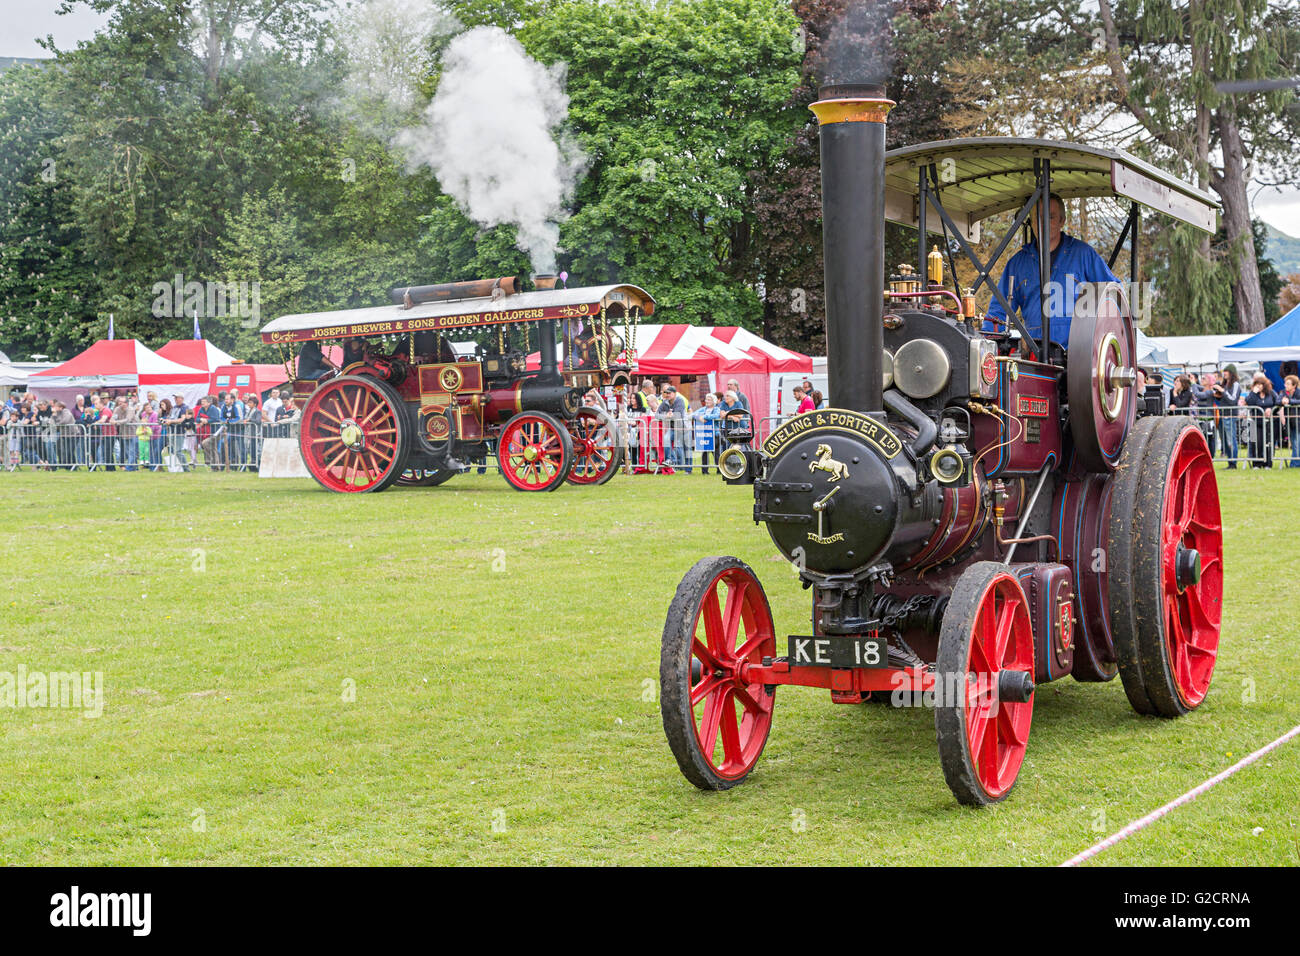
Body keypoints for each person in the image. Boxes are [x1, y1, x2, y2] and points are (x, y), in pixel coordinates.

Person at [984, 193, 1119, 350]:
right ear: (1032, 222)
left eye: (1050, 217)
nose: (1043, 223)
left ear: (1062, 221)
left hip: (1078, 354)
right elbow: (998, 314)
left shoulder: (1083, 255)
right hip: (1035, 355)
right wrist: (988, 346)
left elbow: (1114, 295)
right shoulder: (1017, 264)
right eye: (1038, 218)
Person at [1212, 366, 1242, 468]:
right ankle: (1230, 462)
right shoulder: (1225, 384)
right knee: (1225, 441)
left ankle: (1233, 463)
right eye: (1224, 371)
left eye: (1226, 371)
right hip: (1223, 415)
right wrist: (1218, 395)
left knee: (1231, 440)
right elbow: (1225, 399)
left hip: (1230, 415)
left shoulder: (1235, 384)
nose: (1224, 373)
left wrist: (1222, 391)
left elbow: (1233, 400)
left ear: (1231, 373)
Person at [1243, 373, 1275, 469]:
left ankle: (1267, 463)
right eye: (1257, 384)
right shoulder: (1253, 394)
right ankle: (1256, 463)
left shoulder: (1271, 393)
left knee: (1268, 442)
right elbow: (1248, 402)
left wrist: (1271, 408)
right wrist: (1253, 392)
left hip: (1268, 421)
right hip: (1254, 421)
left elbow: (1277, 401)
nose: (1258, 386)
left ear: (1264, 385)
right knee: (1255, 442)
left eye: (1260, 384)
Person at [657, 384, 688, 471]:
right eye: (666, 393)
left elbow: (678, 415)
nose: (667, 395)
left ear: (674, 393)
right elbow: (657, 415)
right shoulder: (665, 402)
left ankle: (680, 465)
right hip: (672, 427)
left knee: (679, 446)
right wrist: (666, 416)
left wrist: (670, 416)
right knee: (666, 439)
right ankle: (669, 460)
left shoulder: (680, 401)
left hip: (682, 427)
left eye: (669, 393)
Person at [693, 392, 721, 475]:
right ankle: (704, 471)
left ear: (714, 401)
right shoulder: (703, 409)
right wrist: (699, 417)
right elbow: (693, 414)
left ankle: (719, 470)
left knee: (716, 453)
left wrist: (704, 417)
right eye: (706, 399)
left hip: (715, 434)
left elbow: (716, 416)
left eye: (709, 399)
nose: (707, 401)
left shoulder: (716, 409)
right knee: (704, 452)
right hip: (705, 434)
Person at [1279, 374, 1300, 468]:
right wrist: (1282, 401)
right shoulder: (1283, 392)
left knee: (1296, 443)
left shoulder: (1298, 392)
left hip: (1298, 422)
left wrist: (1289, 401)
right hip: (1290, 422)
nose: (1285, 385)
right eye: (1285, 383)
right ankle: (1295, 462)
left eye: (1288, 384)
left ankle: (1295, 463)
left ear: (1294, 385)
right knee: (1294, 443)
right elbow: (1277, 400)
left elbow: (1298, 401)